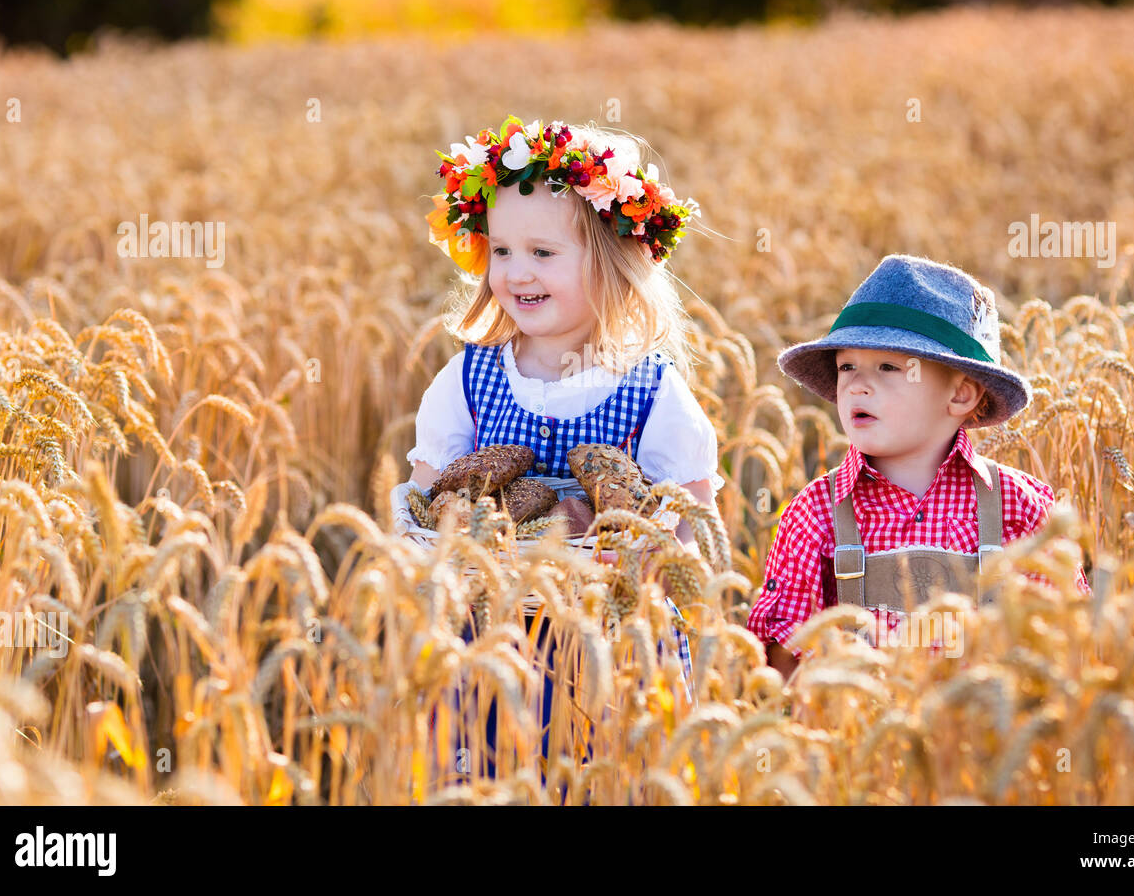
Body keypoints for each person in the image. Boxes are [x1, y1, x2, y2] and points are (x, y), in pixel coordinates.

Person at [393, 116, 724, 774]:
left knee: (603, 777)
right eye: (502, 251)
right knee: (486, 771)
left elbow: (693, 530)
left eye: (543, 253)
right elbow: (426, 509)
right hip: (484, 638)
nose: (517, 273)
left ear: (611, 259)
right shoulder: (467, 378)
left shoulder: (653, 392)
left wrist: (635, 559)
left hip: (613, 645)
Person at [748, 254, 1091, 678]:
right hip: (856, 737)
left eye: (889, 367)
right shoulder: (816, 515)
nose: (856, 384)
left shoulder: (1019, 508)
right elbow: (783, 664)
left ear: (961, 395)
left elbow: (1067, 645)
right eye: (846, 366)